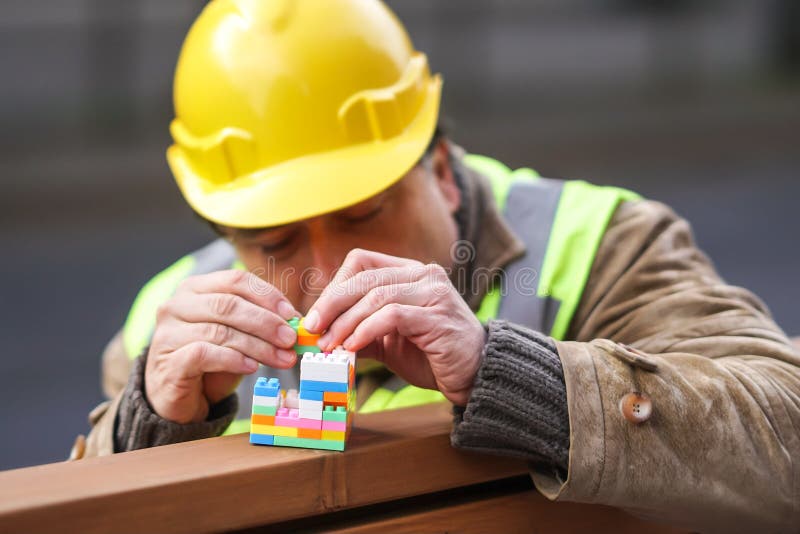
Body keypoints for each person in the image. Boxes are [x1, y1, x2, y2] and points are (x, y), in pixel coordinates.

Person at [73, 1, 799, 531]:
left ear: (443, 171)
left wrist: (511, 377)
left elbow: (785, 443)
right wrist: (148, 432)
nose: (326, 273)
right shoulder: (166, 320)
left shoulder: (602, 243)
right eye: (274, 239)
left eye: (364, 213)